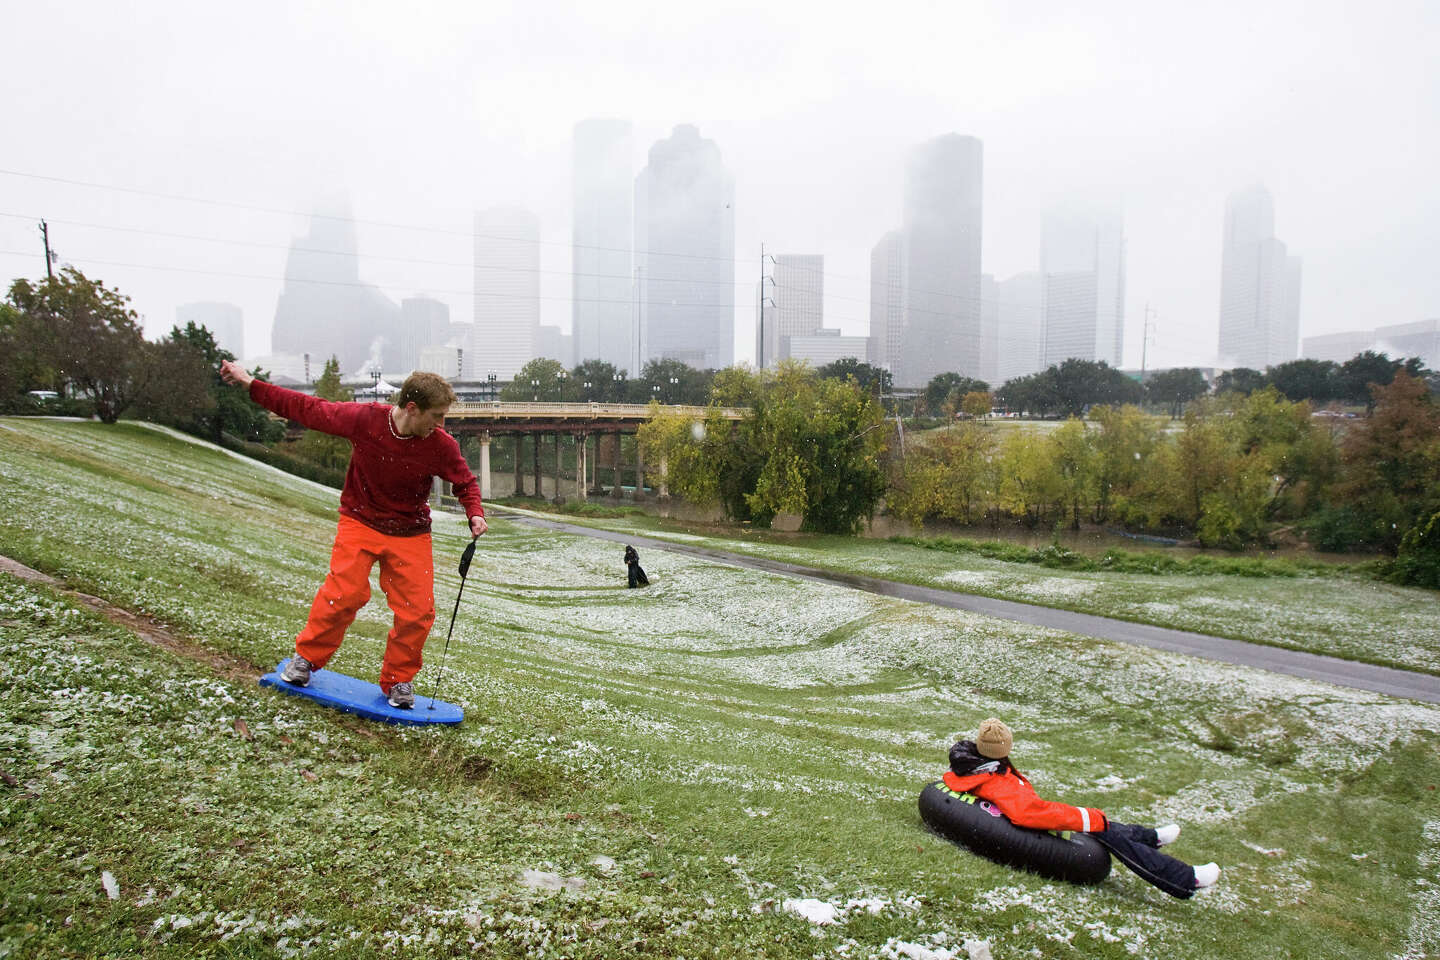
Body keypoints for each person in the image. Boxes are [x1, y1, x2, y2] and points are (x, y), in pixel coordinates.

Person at [220, 360, 487, 708]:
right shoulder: (365, 420)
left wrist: (475, 513)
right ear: (411, 408)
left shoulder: (441, 445)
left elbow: (465, 482)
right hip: (359, 522)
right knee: (342, 594)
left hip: (410, 532)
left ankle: (399, 682)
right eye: (436, 415)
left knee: (418, 612)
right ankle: (305, 660)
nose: (442, 424)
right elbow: (307, 408)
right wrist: (250, 383)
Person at [945, 718, 1220, 899]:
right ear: (1000, 749)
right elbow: (1027, 812)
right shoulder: (995, 779)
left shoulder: (980, 766)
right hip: (1031, 826)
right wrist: (1085, 817)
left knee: (1105, 826)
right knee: (1107, 832)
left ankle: (1150, 837)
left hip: (1029, 813)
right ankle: (1186, 878)